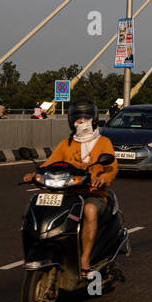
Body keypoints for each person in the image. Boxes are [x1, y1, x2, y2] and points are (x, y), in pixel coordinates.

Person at [23, 98, 118, 273]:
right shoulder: (66, 144)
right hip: (67, 191)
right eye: (78, 119)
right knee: (37, 203)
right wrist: (35, 174)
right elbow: (49, 164)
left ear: (94, 119)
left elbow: (112, 167)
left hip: (93, 192)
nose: (81, 122)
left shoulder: (104, 142)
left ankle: (84, 258)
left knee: (89, 210)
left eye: (86, 118)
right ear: (71, 121)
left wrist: (103, 178)